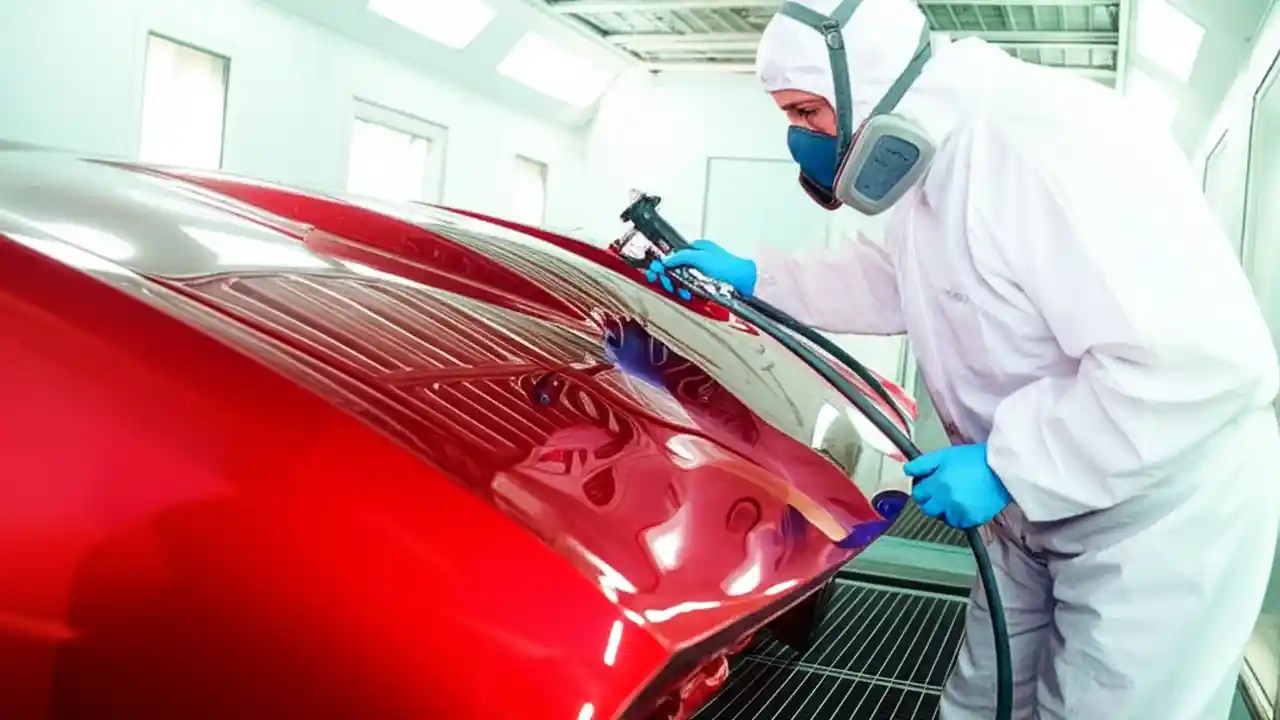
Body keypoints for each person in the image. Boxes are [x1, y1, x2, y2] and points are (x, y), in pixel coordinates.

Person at [646, 0, 1280, 717]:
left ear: (870, 81)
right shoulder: (941, 163)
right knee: (985, 698)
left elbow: (1199, 366)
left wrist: (1012, 463)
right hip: (1030, 504)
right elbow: (899, 282)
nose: (802, 141)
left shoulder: (1047, 141)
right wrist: (760, 276)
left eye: (807, 113)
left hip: (1155, 510)